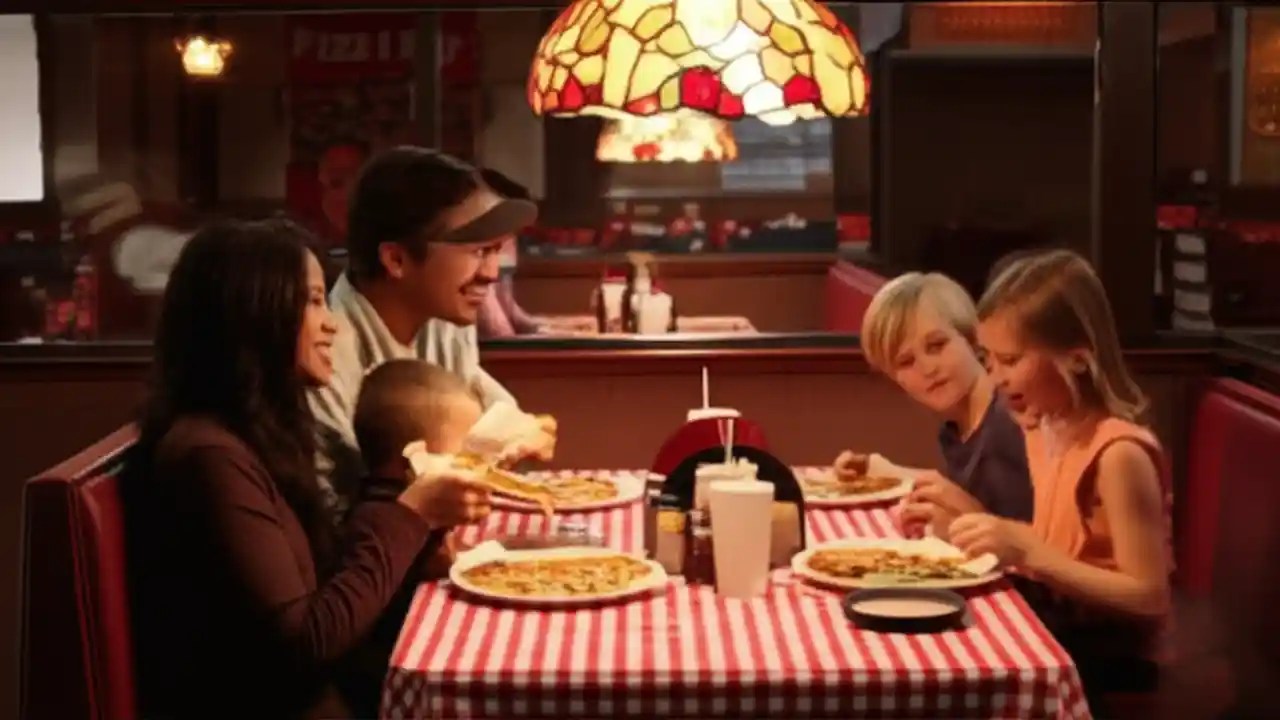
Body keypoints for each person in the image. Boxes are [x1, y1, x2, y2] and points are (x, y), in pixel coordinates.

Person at [121, 219, 492, 719]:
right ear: (258, 313)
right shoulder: (207, 456)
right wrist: (411, 513)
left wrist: (413, 556)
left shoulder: (261, 434)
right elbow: (307, 642)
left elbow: (326, 585)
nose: (331, 324)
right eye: (314, 301)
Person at [950, 249, 1172, 712]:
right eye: (988, 360)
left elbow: (1149, 595)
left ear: (1077, 360)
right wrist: (980, 528)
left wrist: (1026, 551)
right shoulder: (1044, 426)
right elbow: (1061, 545)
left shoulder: (1119, 453)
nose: (995, 378)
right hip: (1054, 626)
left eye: (1010, 360)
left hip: (1106, 659)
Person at [309, 146, 557, 511]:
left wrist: (519, 435)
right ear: (396, 259)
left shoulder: (446, 318)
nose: (491, 273)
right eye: (477, 251)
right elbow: (331, 509)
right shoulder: (323, 354)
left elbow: (494, 420)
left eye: (495, 250)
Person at [834, 272, 1033, 538]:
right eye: (906, 362)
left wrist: (968, 517)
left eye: (937, 345)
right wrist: (877, 469)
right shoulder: (956, 429)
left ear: (972, 338)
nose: (928, 368)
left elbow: (1047, 543)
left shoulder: (1007, 423)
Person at [477, 167, 543, 337]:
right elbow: (495, 329)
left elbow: (508, 306)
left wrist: (544, 330)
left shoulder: (507, 242)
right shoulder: (479, 247)